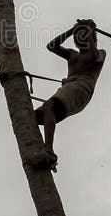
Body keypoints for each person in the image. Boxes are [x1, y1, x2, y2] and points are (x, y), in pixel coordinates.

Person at [34, 19, 106, 170]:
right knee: (38, 116)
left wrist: (87, 31)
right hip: (69, 87)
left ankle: (49, 150)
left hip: (82, 88)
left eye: (83, 36)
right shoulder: (72, 54)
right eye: (76, 37)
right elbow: (51, 46)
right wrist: (71, 30)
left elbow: (94, 57)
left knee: (49, 107)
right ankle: (44, 151)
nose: (78, 39)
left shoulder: (100, 53)